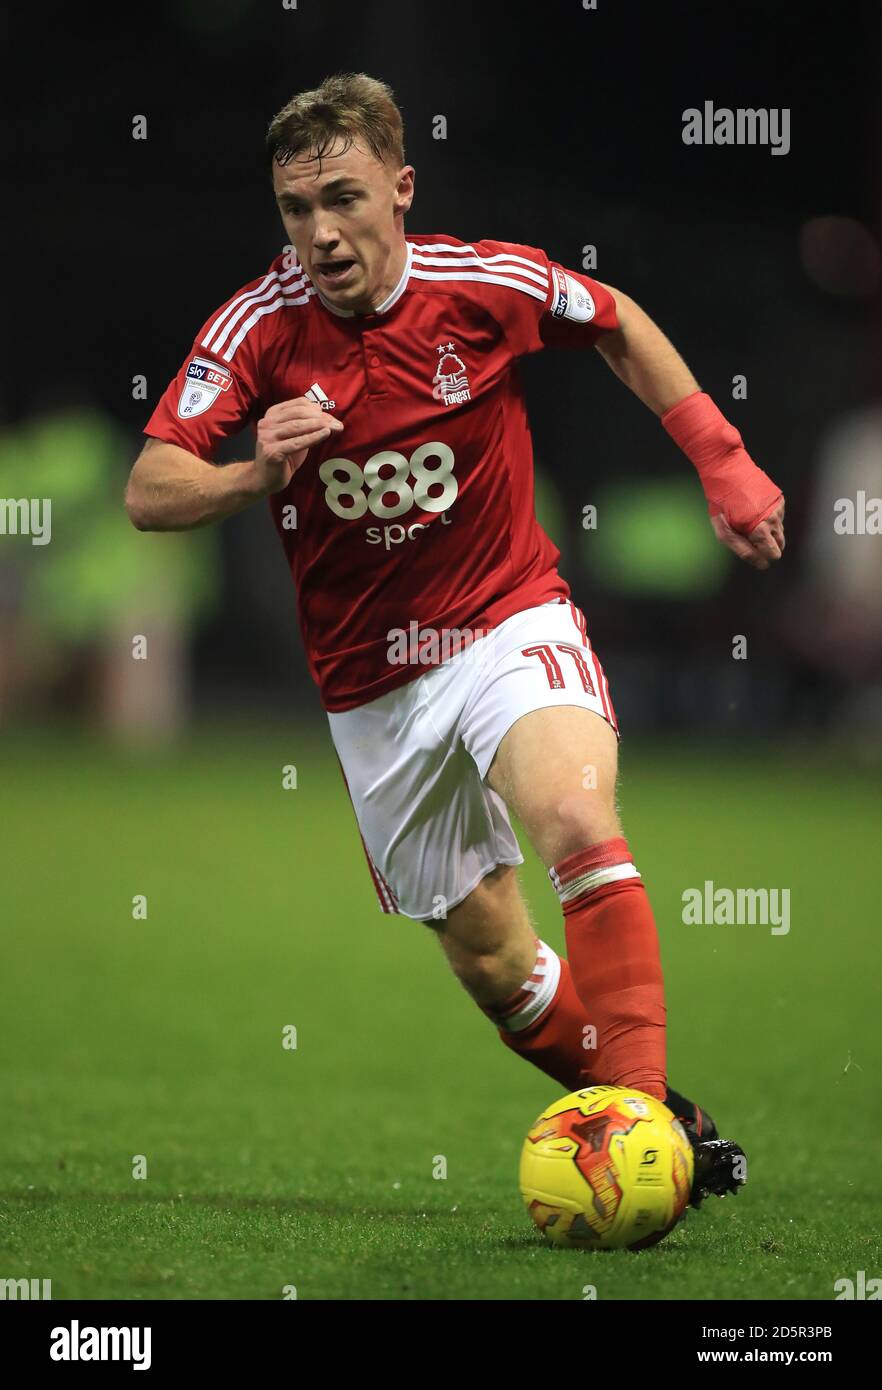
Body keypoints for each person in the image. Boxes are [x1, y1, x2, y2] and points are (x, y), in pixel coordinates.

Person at [126, 72, 785, 1206]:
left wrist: (721, 457)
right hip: (372, 692)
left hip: (502, 620)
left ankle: (633, 1138)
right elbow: (149, 487)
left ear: (401, 186)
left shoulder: (481, 284)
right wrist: (254, 473)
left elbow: (615, 319)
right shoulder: (254, 327)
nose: (320, 232)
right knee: (497, 966)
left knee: (577, 812)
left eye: (343, 197)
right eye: (295, 208)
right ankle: (661, 1115)